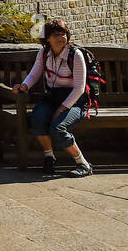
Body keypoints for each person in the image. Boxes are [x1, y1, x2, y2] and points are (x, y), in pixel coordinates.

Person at [12, 18, 95, 177]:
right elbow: (34, 74)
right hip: (52, 97)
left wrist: (61, 109)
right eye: (56, 34)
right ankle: (49, 157)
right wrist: (24, 86)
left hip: (75, 101)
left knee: (58, 128)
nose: (61, 38)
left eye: (63, 34)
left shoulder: (75, 55)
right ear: (48, 38)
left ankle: (83, 164)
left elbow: (79, 89)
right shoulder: (44, 53)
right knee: (37, 118)